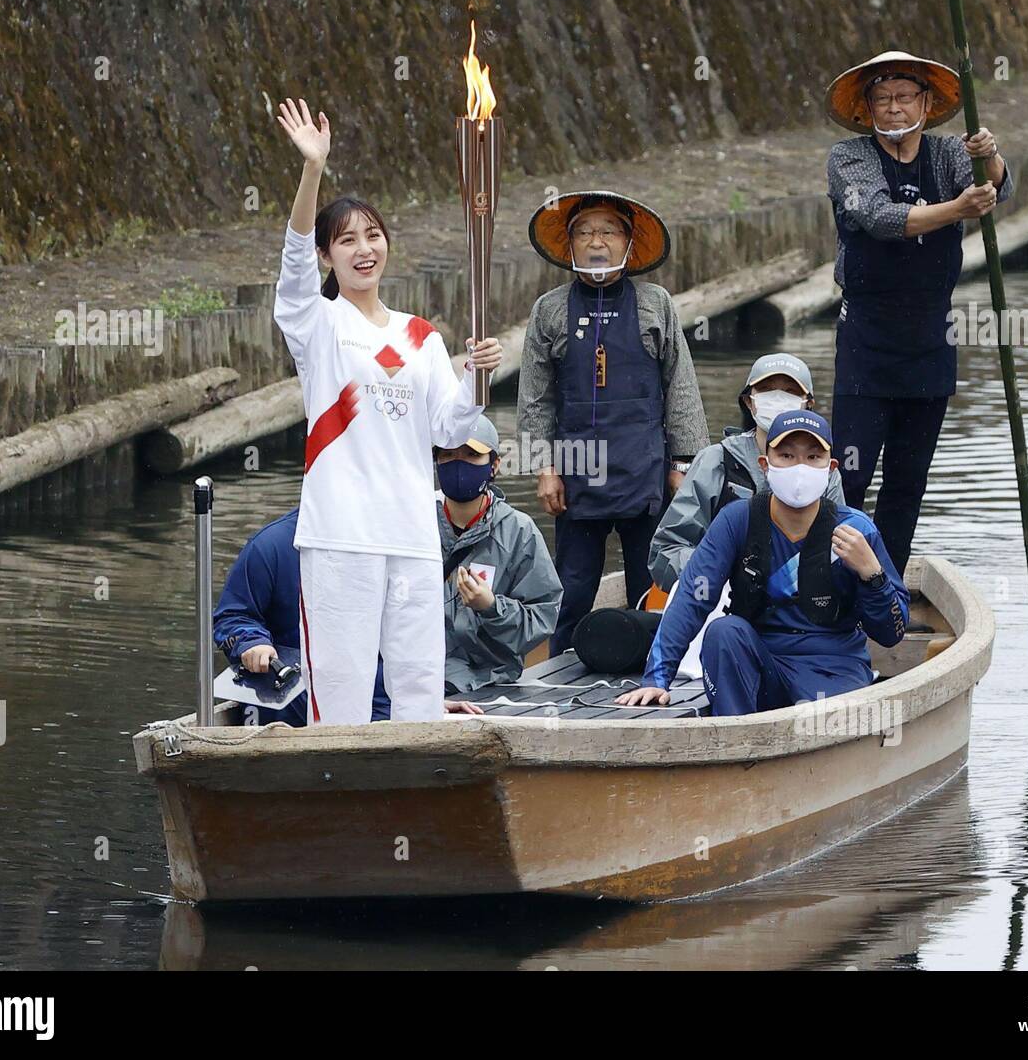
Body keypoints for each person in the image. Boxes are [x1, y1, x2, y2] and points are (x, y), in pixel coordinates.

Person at [273, 97, 503, 725]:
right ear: (328, 257)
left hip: (410, 535)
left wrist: (479, 380)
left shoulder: (420, 336)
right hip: (341, 535)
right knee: (342, 699)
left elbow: (449, 429)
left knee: (421, 693)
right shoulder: (315, 323)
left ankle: (416, 810)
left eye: (372, 235)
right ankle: (341, 806)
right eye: (346, 241)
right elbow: (292, 262)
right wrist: (313, 169)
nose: (362, 249)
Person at [825, 51, 1014, 575]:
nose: (893, 109)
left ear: (926, 103)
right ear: (868, 109)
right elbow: (879, 217)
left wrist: (990, 156)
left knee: (908, 481)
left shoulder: (949, 154)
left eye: (904, 97)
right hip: (866, 339)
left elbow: (999, 187)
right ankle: (831, 585)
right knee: (851, 476)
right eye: (882, 99)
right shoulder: (849, 158)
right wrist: (958, 210)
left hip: (930, 337)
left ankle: (884, 585)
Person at [616, 411, 909, 716]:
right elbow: (692, 596)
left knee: (821, 720)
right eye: (786, 455)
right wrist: (657, 678)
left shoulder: (857, 530)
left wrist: (872, 576)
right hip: (761, 665)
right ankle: (735, 741)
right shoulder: (736, 520)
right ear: (765, 465)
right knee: (723, 631)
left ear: (831, 468)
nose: (800, 467)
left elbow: (891, 633)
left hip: (833, 671)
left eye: (813, 457)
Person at [518, 191, 709, 654]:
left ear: (628, 241)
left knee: (652, 581)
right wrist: (544, 469)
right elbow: (535, 398)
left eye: (608, 230)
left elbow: (679, 386)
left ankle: (658, 666)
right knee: (574, 585)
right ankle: (559, 669)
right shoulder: (549, 309)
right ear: (569, 245)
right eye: (584, 231)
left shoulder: (654, 302)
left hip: (644, 467)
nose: (596, 241)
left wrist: (683, 463)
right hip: (575, 470)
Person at [649, 352, 844, 593]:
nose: (778, 398)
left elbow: (838, 546)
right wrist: (718, 575)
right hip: (721, 598)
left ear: (808, 403)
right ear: (749, 402)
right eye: (767, 389)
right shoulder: (716, 460)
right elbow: (668, 547)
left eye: (790, 392)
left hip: (799, 600)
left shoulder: (824, 470)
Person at [408, 414, 562, 699]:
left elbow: (542, 617)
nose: (458, 463)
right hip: (414, 670)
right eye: (448, 455)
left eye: (471, 455)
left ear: (494, 466)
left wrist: (491, 607)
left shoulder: (519, 531)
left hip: (487, 679)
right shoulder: (412, 520)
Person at [212, 509, 391, 724]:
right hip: (288, 710)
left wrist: (419, 695)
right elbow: (233, 616)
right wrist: (252, 642)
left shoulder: (392, 544)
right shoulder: (271, 545)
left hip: (379, 706)